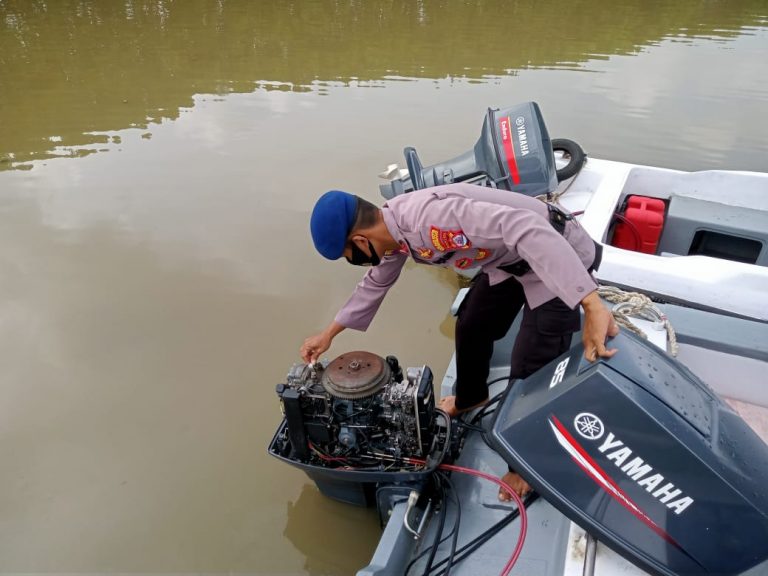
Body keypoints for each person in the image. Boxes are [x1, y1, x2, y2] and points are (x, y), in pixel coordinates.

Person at [300, 183, 619, 500]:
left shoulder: (429, 220)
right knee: (471, 324)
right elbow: (375, 283)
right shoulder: (394, 230)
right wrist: (328, 334)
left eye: (349, 256)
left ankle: (525, 465)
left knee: (530, 365)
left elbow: (528, 228)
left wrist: (590, 304)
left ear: (359, 240)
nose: (355, 261)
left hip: (556, 253)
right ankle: (471, 396)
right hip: (510, 262)